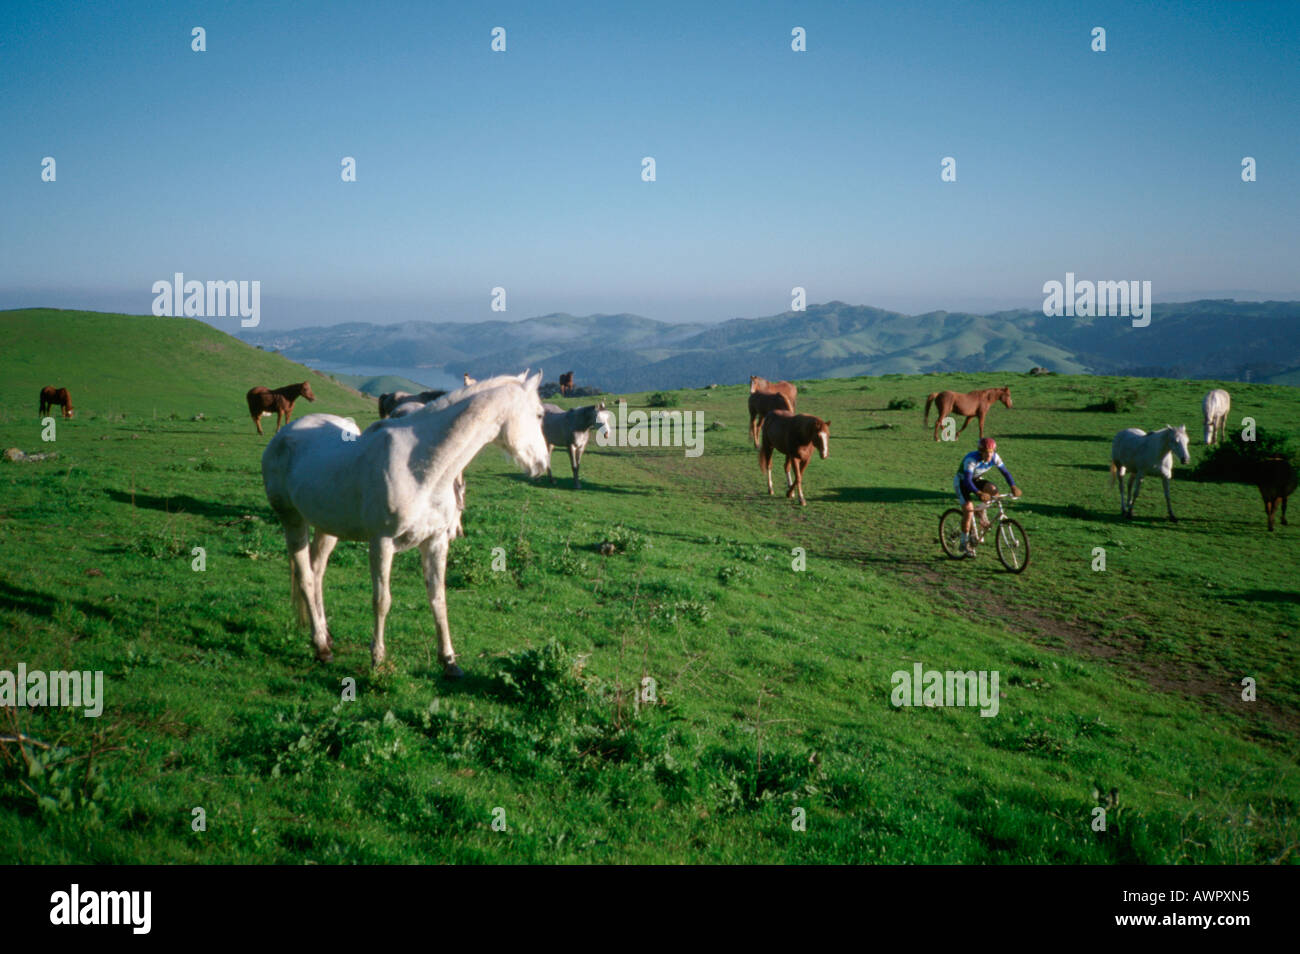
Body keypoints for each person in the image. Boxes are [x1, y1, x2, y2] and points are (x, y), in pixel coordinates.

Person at [954, 436, 1021, 556]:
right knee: (968, 510)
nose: (989, 455)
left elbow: (1005, 472)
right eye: (986, 453)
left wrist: (1013, 486)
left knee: (994, 492)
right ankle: (964, 542)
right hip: (963, 482)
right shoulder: (971, 459)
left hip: (976, 479)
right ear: (980, 451)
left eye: (991, 452)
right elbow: (968, 481)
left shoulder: (995, 457)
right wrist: (979, 493)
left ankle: (980, 512)